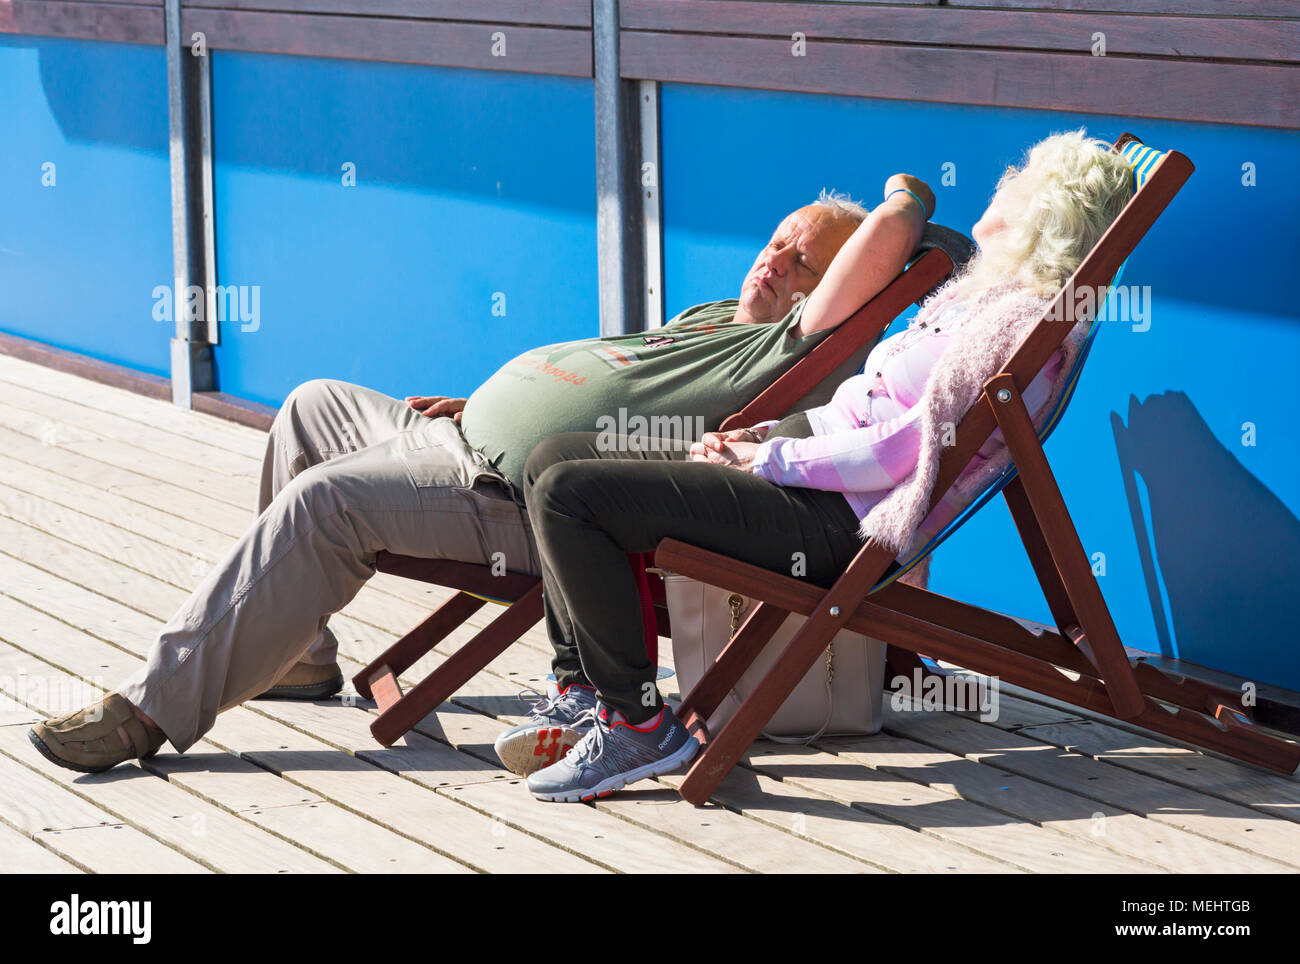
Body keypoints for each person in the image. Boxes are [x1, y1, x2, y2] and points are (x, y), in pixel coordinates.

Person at [29, 174, 937, 773]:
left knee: (326, 504)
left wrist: (910, 194)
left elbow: (903, 232)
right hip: (462, 438)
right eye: (776, 240)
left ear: (834, 291)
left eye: (803, 259)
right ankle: (299, 659)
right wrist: (485, 403)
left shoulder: (793, 350)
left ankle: (150, 710)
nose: (774, 259)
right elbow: (606, 380)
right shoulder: (711, 318)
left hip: (524, 501)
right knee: (309, 406)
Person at [503, 130, 1135, 802]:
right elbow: (864, 405)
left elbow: (900, 450)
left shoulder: (1017, 329)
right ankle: (583, 690)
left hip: (831, 518)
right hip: (805, 470)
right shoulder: (981, 303)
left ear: (1045, 211)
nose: (1006, 176)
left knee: (572, 494)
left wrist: (768, 458)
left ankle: (636, 723)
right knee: (552, 457)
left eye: (1023, 175)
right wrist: (761, 433)